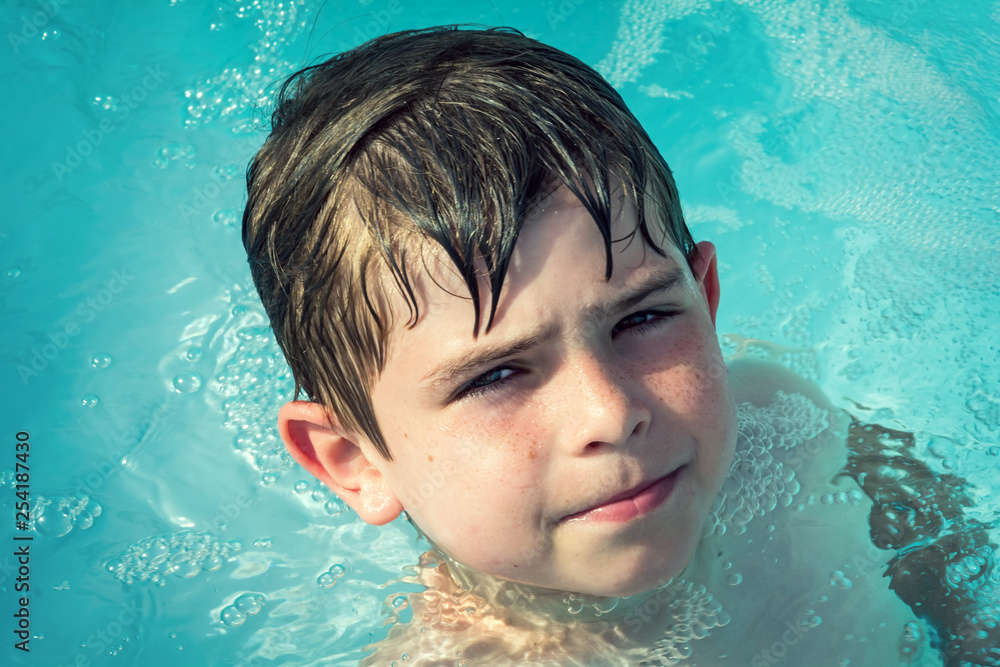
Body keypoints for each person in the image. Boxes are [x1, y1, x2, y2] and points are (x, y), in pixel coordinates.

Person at [242, 26, 995, 666]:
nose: (609, 411)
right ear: (355, 460)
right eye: (497, 374)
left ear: (705, 300)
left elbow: (947, 566)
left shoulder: (785, 424)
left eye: (642, 319)